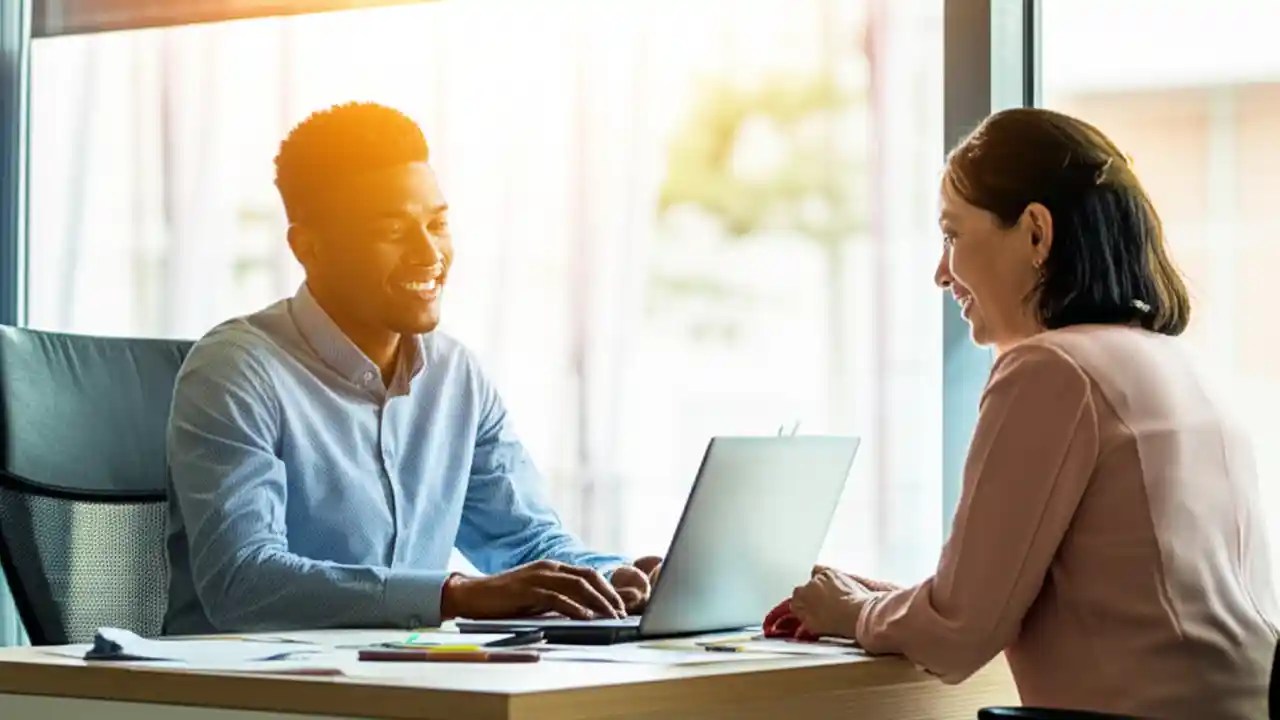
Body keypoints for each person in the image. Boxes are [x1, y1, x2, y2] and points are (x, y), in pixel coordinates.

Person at [784, 108, 1279, 719]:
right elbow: (1028, 598)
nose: (942, 273)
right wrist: (872, 599)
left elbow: (960, 635)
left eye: (952, 235)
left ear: (1036, 233)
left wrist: (853, 615)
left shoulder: (1050, 370)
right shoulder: (1182, 367)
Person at [164, 102, 661, 635]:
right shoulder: (235, 372)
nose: (430, 254)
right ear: (308, 247)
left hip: (404, 683)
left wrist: (616, 576)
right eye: (394, 232)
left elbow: (528, 543)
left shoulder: (457, 378)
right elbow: (242, 582)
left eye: (438, 224)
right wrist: (454, 595)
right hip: (242, 693)